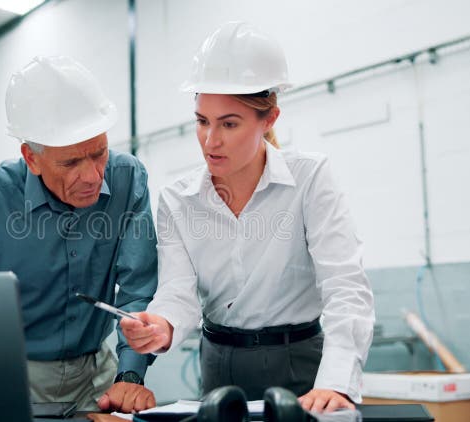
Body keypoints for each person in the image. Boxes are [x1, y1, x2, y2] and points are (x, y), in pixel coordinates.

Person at [119, 22, 375, 413]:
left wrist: (336, 383)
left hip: (301, 362)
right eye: (202, 121)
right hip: (219, 364)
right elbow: (177, 290)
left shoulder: (310, 179)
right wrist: (163, 325)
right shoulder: (177, 199)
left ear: (269, 119)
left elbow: (345, 286)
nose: (210, 140)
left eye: (229, 123)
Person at [0, 56, 158, 413]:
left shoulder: (128, 178)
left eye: (99, 153)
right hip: (9, 377)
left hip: (98, 379)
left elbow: (138, 289)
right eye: (70, 163)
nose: (91, 176)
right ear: (31, 158)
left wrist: (130, 377)